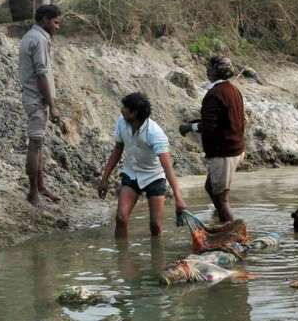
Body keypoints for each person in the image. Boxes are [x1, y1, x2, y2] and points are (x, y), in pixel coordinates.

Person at [98, 92, 188, 238]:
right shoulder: (122, 121)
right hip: (131, 173)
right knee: (121, 218)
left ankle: (156, 251)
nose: (121, 109)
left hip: (154, 177)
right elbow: (118, 149)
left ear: (134, 113)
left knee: (156, 226)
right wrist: (104, 179)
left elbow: (167, 167)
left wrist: (178, 198)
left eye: (125, 107)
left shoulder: (155, 133)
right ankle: (121, 252)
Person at [179, 55, 246, 222]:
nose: (206, 70)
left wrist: (189, 128)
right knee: (210, 187)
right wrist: (197, 123)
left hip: (224, 152)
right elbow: (225, 119)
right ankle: (222, 219)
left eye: (209, 67)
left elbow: (209, 126)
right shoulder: (234, 90)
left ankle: (231, 230)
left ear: (214, 71)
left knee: (222, 199)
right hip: (235, 148)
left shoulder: (214, 94)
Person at [18, 4, 62, 205]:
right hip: (36, 99)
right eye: (56, 22)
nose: (57, 27)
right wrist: (52, 106)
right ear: (45, 20)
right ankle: (33, 192)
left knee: (39, 144)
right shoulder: (40, 40)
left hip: (33, 97)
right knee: (35, 145)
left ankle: (41, 187)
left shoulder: (31, 36)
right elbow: (41, 74)